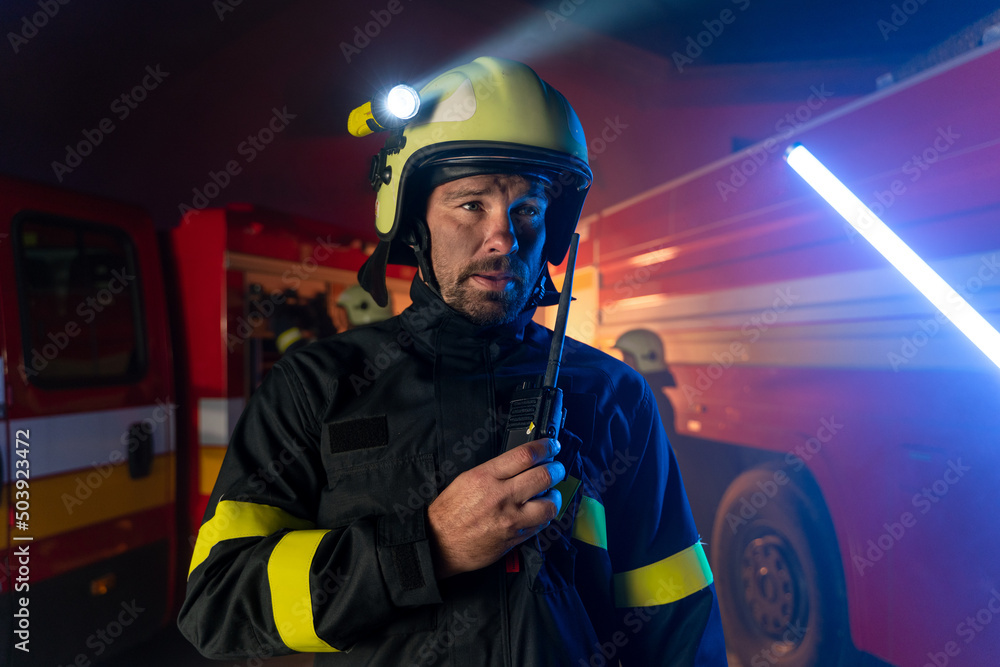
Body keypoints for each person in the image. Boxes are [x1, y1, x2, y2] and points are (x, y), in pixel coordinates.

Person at [178, 56, 726, 665]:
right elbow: (219, 603)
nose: (503, 238)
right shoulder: (318, 386)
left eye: (527, 210)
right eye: (471, 205)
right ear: (413, 221)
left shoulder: (612, 394)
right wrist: (425, 548)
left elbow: (674, 619)